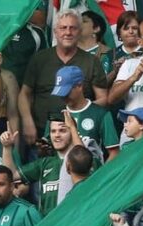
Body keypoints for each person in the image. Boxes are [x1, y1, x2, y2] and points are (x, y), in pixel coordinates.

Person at [18, 9, 107, 147]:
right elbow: (25, 93)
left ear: (79, 31)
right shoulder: (39, 59)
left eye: (73, 28)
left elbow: (103, 98)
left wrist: (83, 111)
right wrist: (27, 121)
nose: (68, 32)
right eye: (63, 28)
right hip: (42, 135)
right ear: (55, 32)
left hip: (81, 134)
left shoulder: (91, 61)